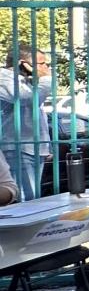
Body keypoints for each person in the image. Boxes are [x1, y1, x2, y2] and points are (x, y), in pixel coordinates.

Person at [0, 49, 52, 201]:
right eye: (41, 63)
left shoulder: (28, 79)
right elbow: (26, 99)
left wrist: (46, 145)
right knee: (24, 199)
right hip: (18, 146)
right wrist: (46, 80)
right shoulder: (4, 79)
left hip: (34, 146)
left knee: (33, 197)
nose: (46, 67)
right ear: (23, 64)